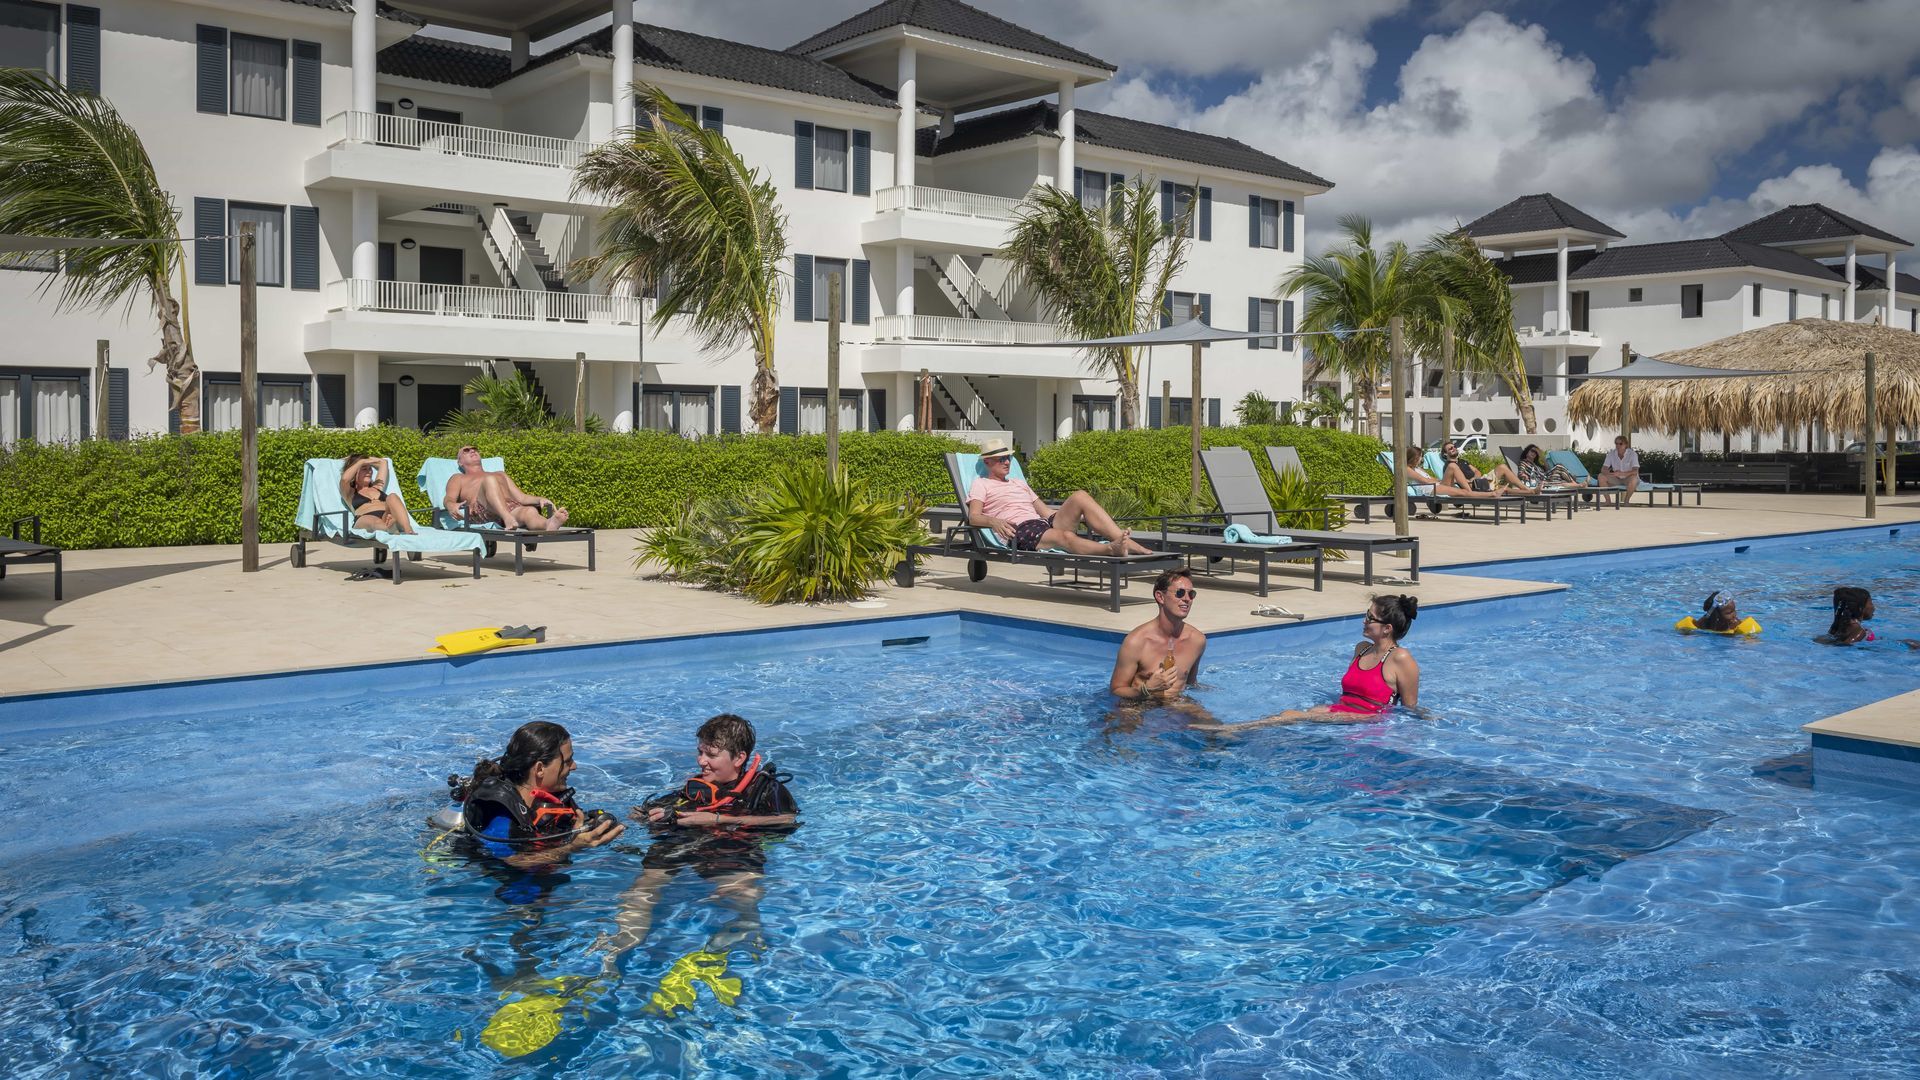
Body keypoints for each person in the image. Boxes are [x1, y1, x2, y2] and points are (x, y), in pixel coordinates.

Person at [595, 714, 798, 989]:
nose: (701, 761)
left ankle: (746, 925)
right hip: (682, 842)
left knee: (744, 891)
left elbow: (786, 820)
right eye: (700, 752)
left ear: (738, 758)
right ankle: (618, 945)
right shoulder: (693, 790)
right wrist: (644, 817)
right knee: (642, 889)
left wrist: (718, 820)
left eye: (711, 754)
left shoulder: (765, 789)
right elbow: (642, 812)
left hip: (731, 845)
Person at [1209, 596, 1421, 730]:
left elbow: (1409, 709)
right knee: (1292, 716)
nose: (1364, 620)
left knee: (1292, 716)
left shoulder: (1400, 658)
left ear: (1387, 628)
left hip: (1371, 720)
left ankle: (1232, 730)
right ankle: (1238, 729)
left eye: (1370, 617)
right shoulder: (1361, 649)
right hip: (1344, 710)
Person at [451, 720, 625, 869]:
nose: (574, 767)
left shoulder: (553, 798)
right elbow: (514, 861)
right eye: (567, 762)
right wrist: (573, 846)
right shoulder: (502, 816)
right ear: (540, 769)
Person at [966, 438, 1152, 556]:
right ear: (988, 462)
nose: (1007, 462)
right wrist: (994, 522)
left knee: (1080, 496)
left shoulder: (1018, 483)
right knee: (1064, 536)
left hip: (1041, 522)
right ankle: (1111, 549)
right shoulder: (981, 484)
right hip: (1020, 530)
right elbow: (973, 516)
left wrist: (1077, 515)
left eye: (1009, 458)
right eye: (1001, 459)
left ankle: (1127, 542)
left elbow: (1045, 511)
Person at [1110, 569, 1208, 701]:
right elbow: (1116, 689)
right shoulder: (1136, 642)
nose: (1187, 599)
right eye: (1180, 593)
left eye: (1191, 594)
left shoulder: (1197, 640)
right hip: (1139, 706)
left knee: (1210, 721)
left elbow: (1190, 684)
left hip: (1176, 704)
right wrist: (1147, 689)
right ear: (1160, 597)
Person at [445, 445, 570, 531]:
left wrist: (540, 499)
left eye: (474, 449)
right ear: (460, 462)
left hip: (509, 508)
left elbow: (521, 497)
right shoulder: (458, 478)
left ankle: (548, 524)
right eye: (466, 451)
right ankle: (507, 518)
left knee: (530, 511)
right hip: (482, 511)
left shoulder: (500, 474)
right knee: (489, 480)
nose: (472, 451)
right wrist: (451, 505)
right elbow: (448, 498)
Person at [339, 455, 419, 534]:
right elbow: (345, 479)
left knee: (392, 496)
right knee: (370, 520)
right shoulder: (350, 493)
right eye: (364, 469)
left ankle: (407, 529)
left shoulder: (377, 486)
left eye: (370, 468)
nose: (369, 472)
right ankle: (388, 528)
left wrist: (366, 459)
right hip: (364, 518)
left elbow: (383, 462)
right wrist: (361, 461)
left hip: (386, 516)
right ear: (355, 472)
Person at [1822, 586, 1919, 647]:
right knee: (1913, 644)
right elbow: (1847, 644)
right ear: (1861, 608)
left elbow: (1829, 639)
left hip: (1881, 642)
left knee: (1910, 642)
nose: (1874, 607)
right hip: (1888, 647)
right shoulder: (1859, 631)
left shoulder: (1839, 624)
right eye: (1871, 603)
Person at [1403, 447, 1505, 500]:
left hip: (1435, 486)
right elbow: (1424, 480)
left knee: (1453, 466)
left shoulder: (1417, 468)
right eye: (1420, 456)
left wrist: (1439, 480)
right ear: (1414, 457)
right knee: (1464, 492)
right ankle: (1492, 494)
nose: (1421, 459)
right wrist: (1439, 480)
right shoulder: (1407, 469)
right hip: (1430, 489)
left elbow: (1430, 478)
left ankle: (1469, 490)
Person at [1440, 440, 1532, 493]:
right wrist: (1467, 481)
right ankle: (1530, 492)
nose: (1454, 448)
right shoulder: (1449, 466)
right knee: (1503, 488)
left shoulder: (1463, 461)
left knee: (1502, 467)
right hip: (1473, 487)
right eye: (1450, 448)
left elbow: (1477, 472)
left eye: (1454, 446)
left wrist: (1474, 478)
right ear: (1445, 453)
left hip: (1479, 481)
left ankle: (1527, 490)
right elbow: (1449, 481)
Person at [1515, 444, 1586, 490]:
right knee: (1559, 466)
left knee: (1559, 467)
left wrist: (1542, 457)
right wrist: (1523, 475)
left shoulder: (1536, 464)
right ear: (1527, 452)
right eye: (1532, 451)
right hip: (1540, 482)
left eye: (1536, 452)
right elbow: (1520, 472)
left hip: (1547, 478)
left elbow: (1548, 470)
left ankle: (1575, 483)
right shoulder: (1523, 462)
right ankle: (1576, 484)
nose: (1534, 453)